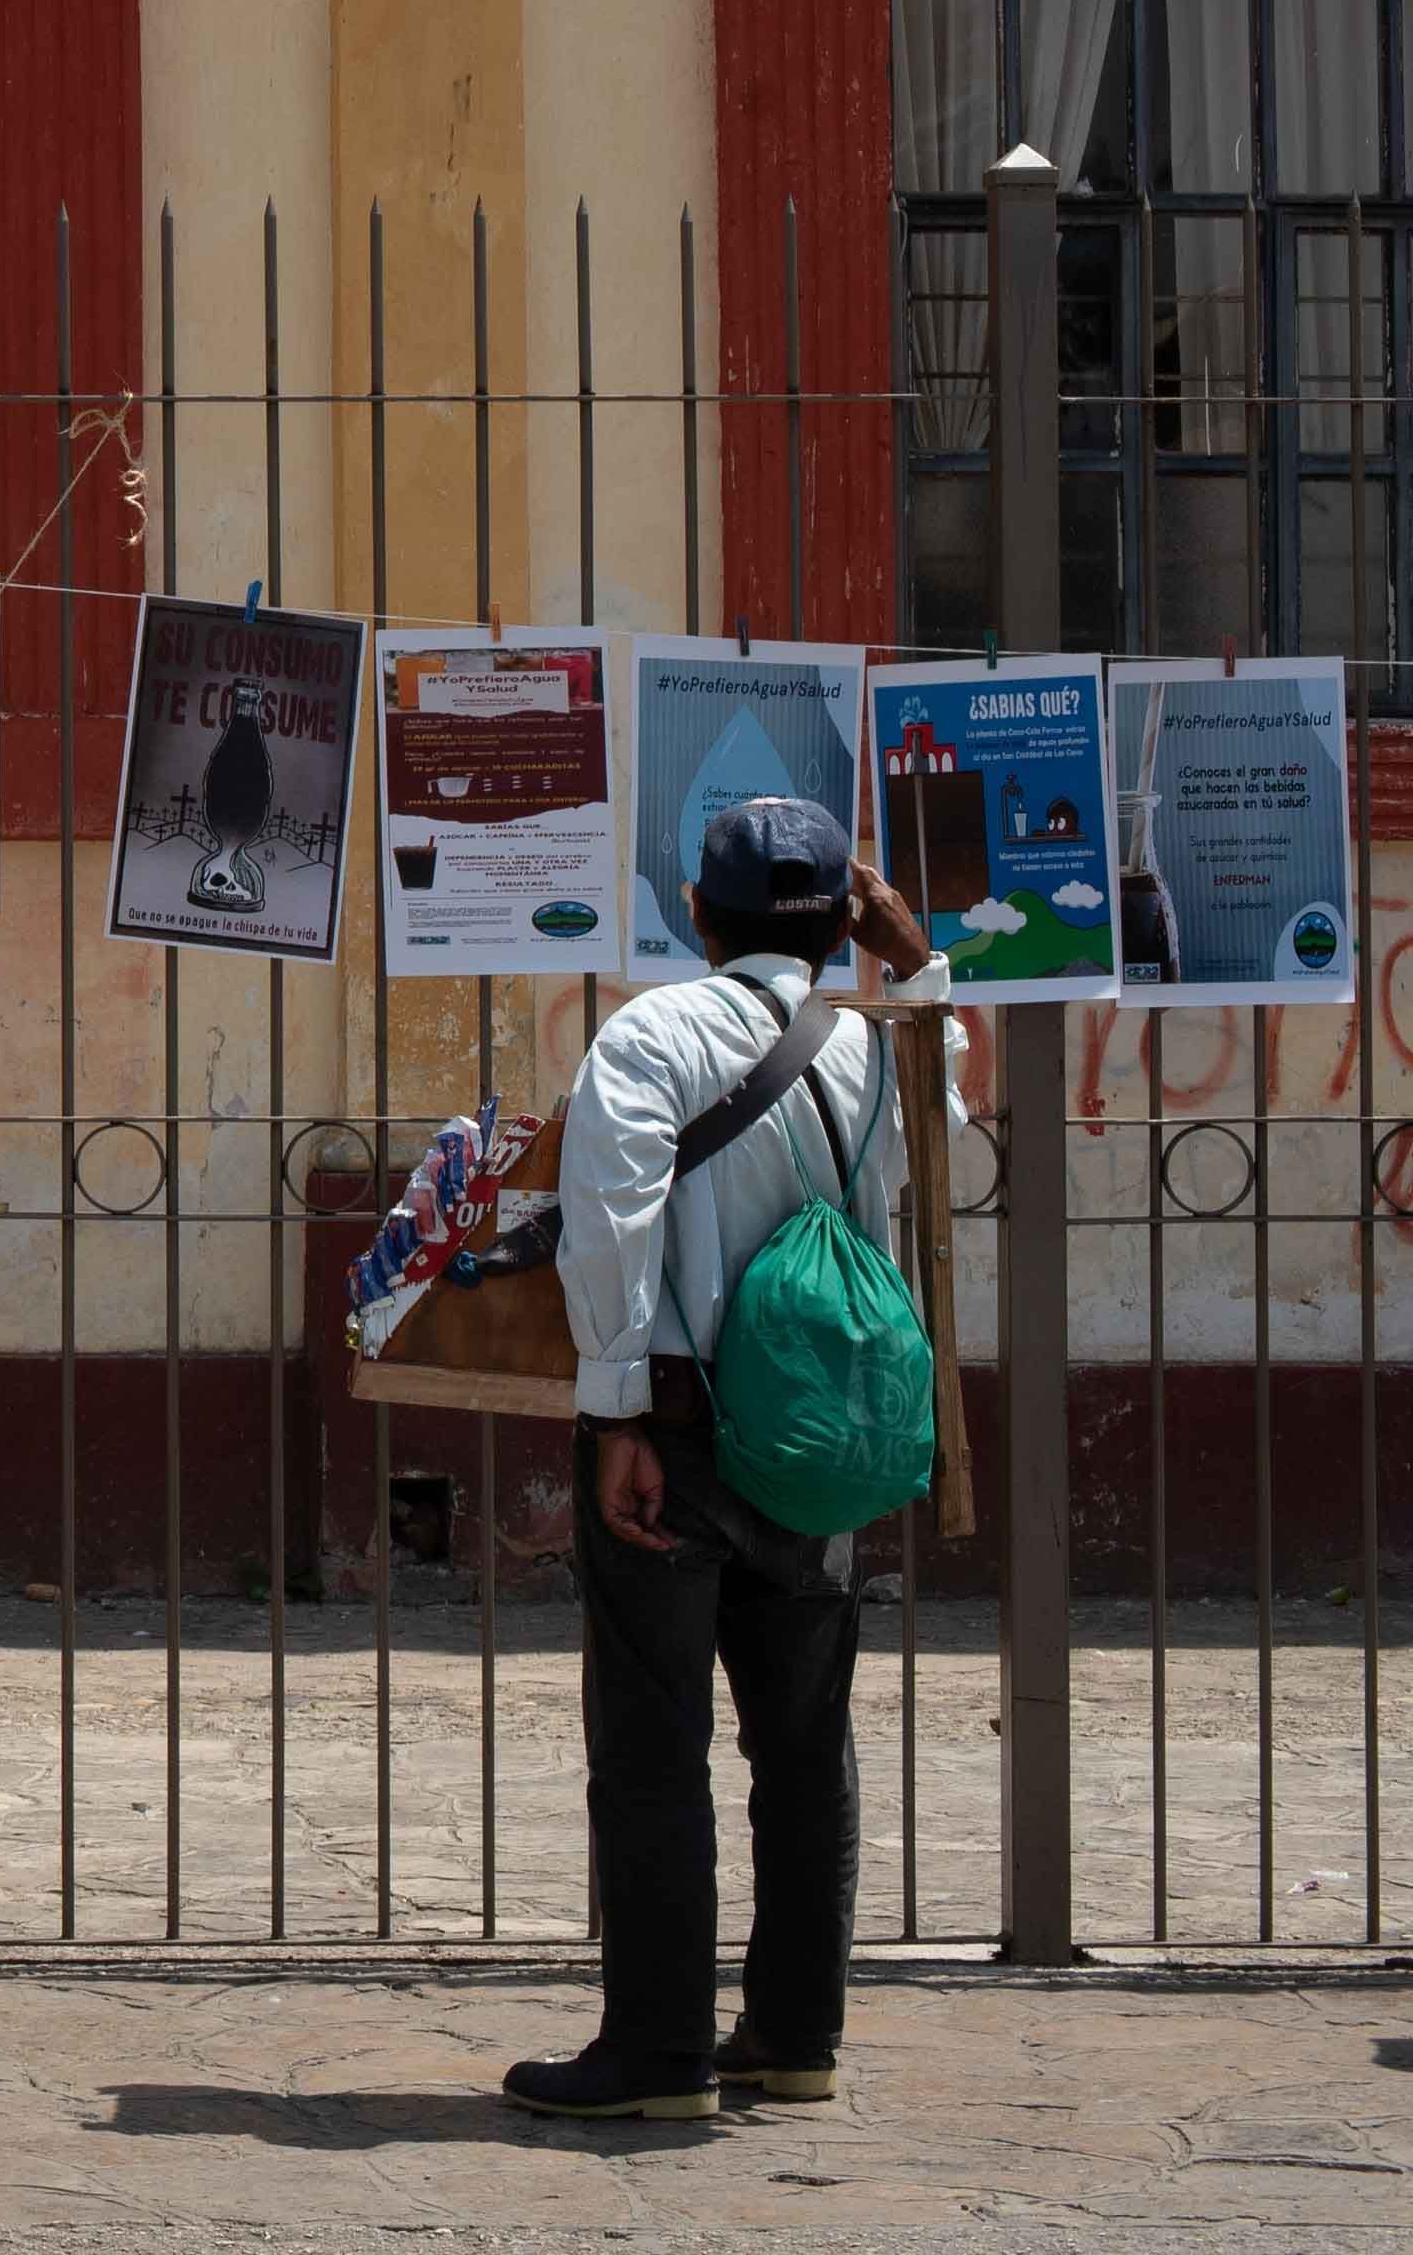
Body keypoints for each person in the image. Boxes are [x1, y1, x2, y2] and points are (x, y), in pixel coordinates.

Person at [507, 792, 943, 2123]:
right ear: (839, 920)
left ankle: (656, 2056)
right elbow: (941, 1135)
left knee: (654, 1745)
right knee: (805, 1746)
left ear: (696, 912)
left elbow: (610, 1226)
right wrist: (914, 961)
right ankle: (796, 2037)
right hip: (816, 1434)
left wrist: (616, 1417)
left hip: (679, 1429)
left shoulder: (655, 1033)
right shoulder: (875, 1044)